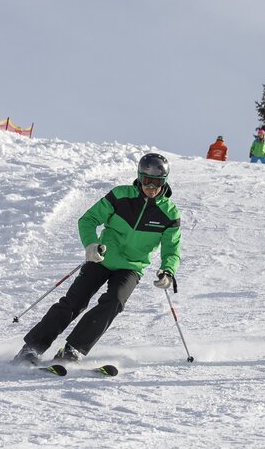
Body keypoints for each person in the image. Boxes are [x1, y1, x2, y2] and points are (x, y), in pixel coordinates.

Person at [13, 153, 181, 364]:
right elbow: (88, 219)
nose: (151, 187)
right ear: (139, 177)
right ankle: (32, 348)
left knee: (114, 302)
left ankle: (73, 349)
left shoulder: (169, 214)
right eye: (147, 180)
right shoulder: (121, 195)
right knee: (74, 302)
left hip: (131, 267)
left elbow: (171, 249)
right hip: (101, 258)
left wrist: (168, 271)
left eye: (157, 182)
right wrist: (91, 245)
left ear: (165, 181)